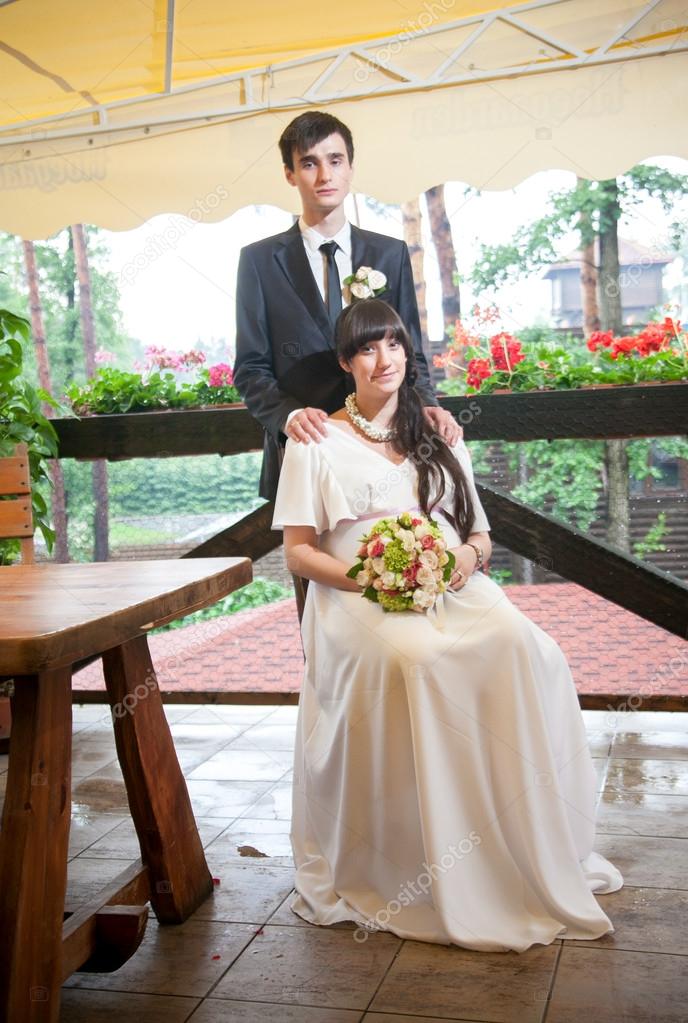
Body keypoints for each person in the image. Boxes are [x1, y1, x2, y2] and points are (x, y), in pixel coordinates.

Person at [271, 298, 623, 953]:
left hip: (446, 582)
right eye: (369, 349)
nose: (386, 360)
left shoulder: (436, 430)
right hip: (354, 595)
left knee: (526, 646)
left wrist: (461, 556)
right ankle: (419, 859)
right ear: (346, 362)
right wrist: (372, 578)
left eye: (395, 345)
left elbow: (480, 533)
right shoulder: (315, 437)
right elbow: (297, 551)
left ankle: (520, 838)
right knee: (417, 663)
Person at [233, 109, 460, 501]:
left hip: (391, 449)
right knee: (312, 564)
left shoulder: (390, 254)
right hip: (307, 452)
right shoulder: (258, 262)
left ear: (350, 167)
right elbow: (250, 369)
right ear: (289, 174)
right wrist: (289, 416)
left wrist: (427, 404)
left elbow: (412, 356)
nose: (325, 176)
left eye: (335, 161)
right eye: (309, 163)